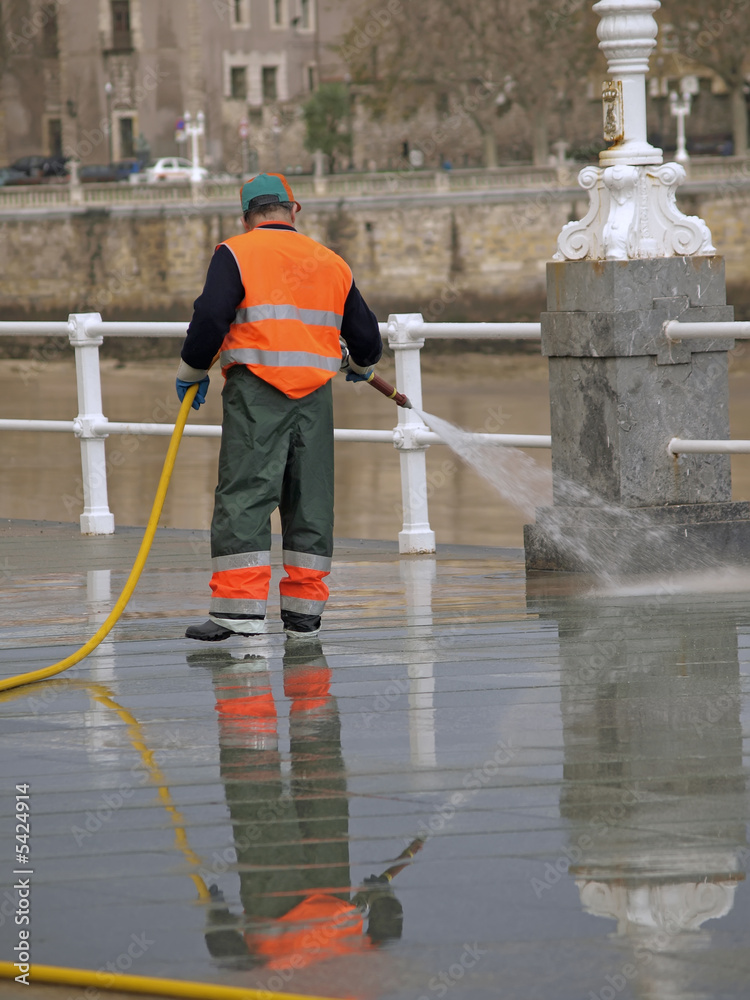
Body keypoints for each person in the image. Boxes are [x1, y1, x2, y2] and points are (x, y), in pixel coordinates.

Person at [176, 172, 382, 642]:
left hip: (257, 393)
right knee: (309, 500)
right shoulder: (331, 262)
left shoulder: (235, 253)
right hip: (315, 399)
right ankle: (304, 615)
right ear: (295, 210)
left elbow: (211, 317)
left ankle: (238, 613)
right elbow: (367, 340)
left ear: (247, 217)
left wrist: (191, 370)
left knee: (246, 495)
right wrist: (361, 363)